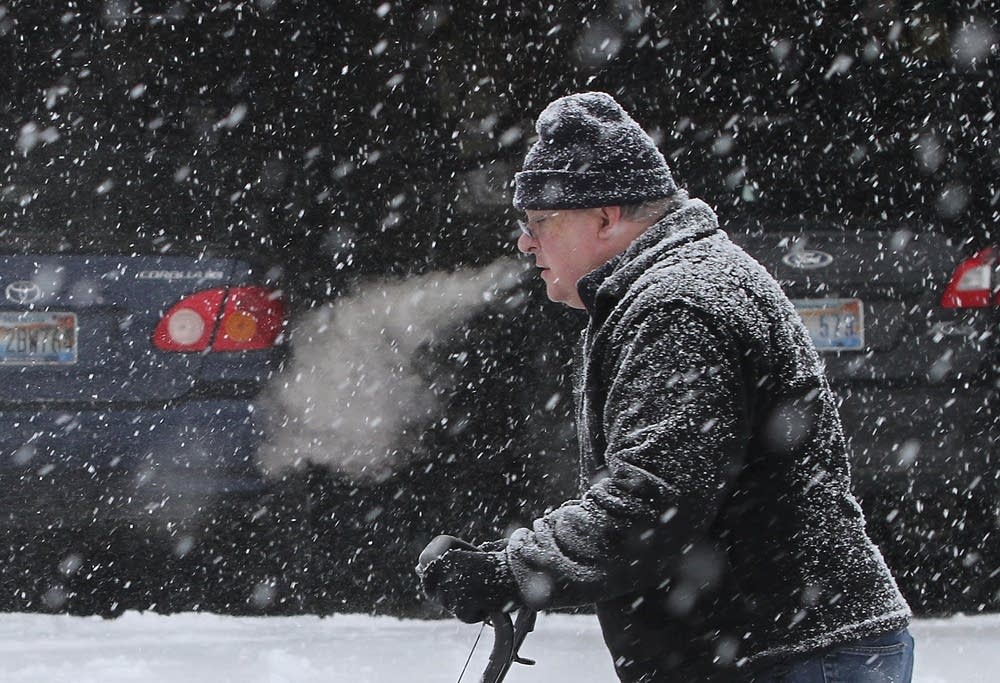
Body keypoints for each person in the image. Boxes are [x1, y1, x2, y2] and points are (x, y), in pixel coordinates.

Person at [418, 92, 914, 682]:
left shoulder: (676, 307)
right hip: (784, 647)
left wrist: (511, 570)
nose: (527, 243)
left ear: (606, 217)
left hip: (783, 656)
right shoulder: (681, 285)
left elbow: (651, 505)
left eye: (539, 223)